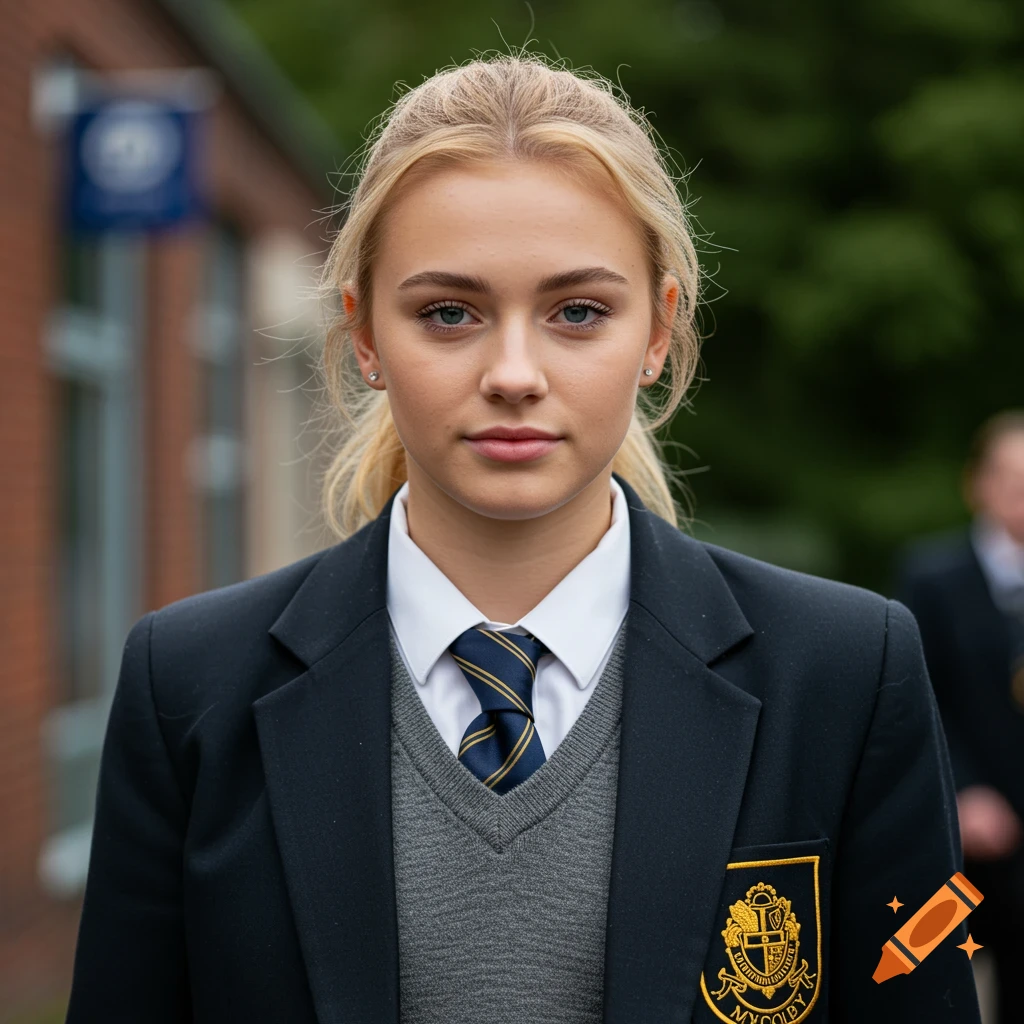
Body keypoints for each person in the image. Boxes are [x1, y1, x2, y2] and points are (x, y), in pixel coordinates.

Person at [65, 52, 980, 1024]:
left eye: (576, 312)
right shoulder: (192, 686)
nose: (512, 371)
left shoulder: (845, 672)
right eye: (448, 313)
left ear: (659, 329)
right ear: (364, 334)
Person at [895, 411, 1024, 1024]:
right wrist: (964, 789)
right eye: (1012, 480)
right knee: (921, 972)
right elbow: (916, 696)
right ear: (979, 484)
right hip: (958, 834)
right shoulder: (932, 577)